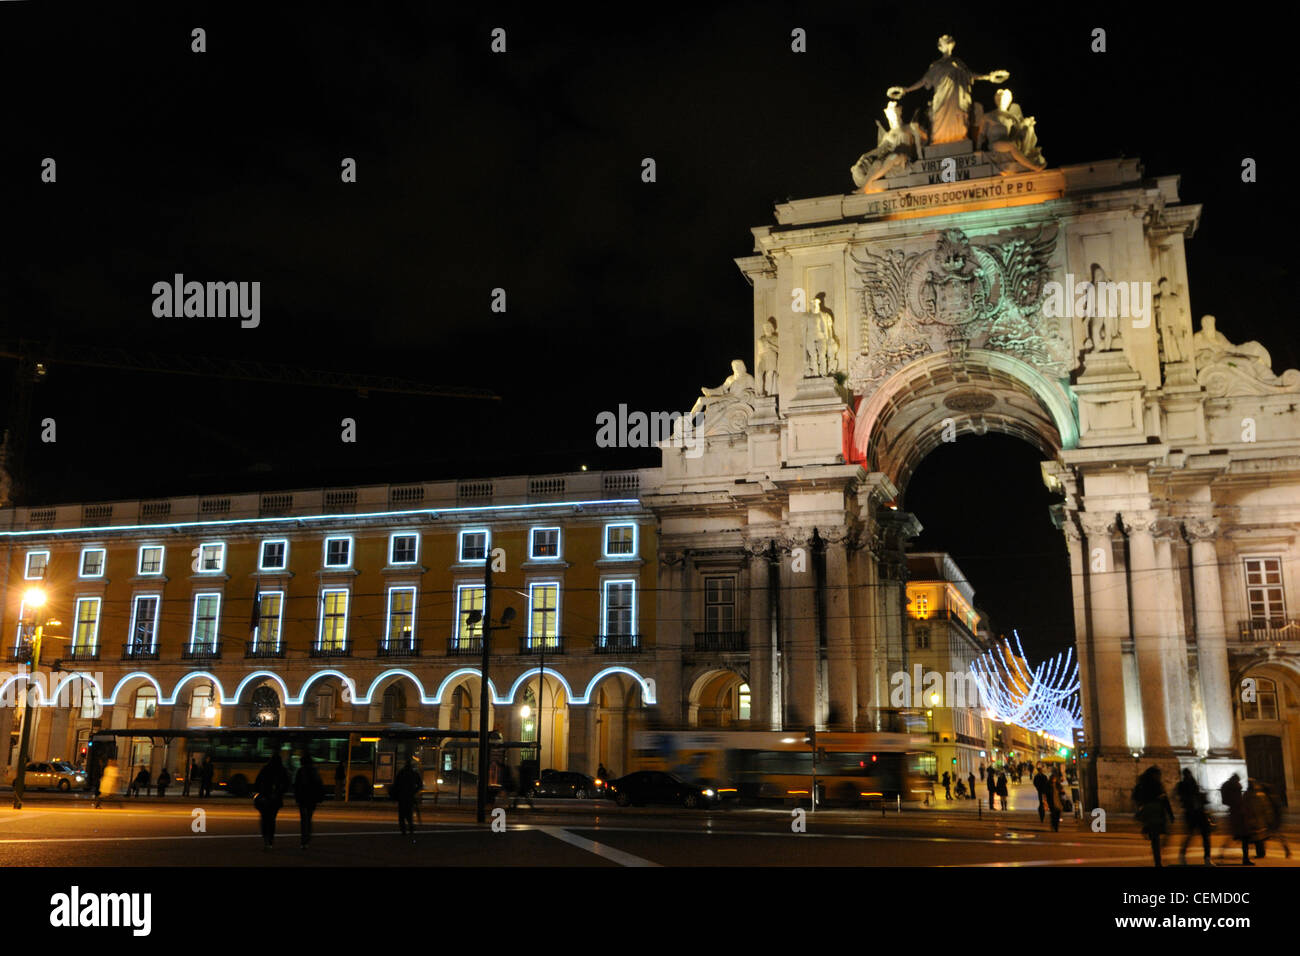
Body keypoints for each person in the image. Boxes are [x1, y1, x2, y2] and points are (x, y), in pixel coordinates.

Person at [1133, 766, 1175, 867]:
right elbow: (1164, 799)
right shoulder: (1155, 785)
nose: (1159, 777)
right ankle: (1158, 860)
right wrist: (1170, 814)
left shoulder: (1144, 784)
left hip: (1154, 813)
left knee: (1156, 837)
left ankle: (1157, 858)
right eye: (1157, 775)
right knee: (1156, 837)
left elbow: (1136, 796)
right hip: (1154, 813)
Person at [1174, 769, 1213, 866]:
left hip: (1198, 812)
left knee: (1203, 836)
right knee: (1194, 836)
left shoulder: (1192, 784)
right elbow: (1181, 797)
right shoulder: (1183, 785)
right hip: (1192, 812)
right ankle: (1183, 856)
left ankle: (1206, 858)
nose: (1189, 776)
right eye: (1188, 774)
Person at [253, 753, 291, 850]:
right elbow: (287, 784)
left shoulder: (266, 769)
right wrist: (280, 792)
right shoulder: (282, 770)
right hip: (276, 799)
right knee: (272, 819)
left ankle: (266, 837)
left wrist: (261, 792)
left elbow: (258, 782)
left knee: (264, 818)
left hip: (265, 798)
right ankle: (270, 840)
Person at [1220, 773, 1254, 866]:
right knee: (1244, 838)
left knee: (1238, 837)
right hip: (1240, 816)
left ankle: (1223, 852)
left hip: (1235, 815)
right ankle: (1245, 859)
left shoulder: (1229, 787)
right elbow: (1239, 802)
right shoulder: (1235, 787)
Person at [294, 753, 325, 849]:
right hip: (312, 799)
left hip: (303, 799)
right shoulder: (314, 771)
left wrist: (297, 798)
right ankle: (307, 838)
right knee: (309, 818)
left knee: (304, 819)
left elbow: (296, 785)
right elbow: (319, 785)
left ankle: (304, 841)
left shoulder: (300, 771)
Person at [1256, 780, 1291, 858]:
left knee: (1265, 836)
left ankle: (1263, 852)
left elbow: (1269, 810)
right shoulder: (1274, 797)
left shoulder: (1267, 798)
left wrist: (1269, 820)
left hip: (1271, 820)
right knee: (1278, 836)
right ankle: (1286, 850)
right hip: (1275, 820)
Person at [392, 758, 423, 838]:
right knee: (409, 815)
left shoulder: (401, 773)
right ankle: (411, 829)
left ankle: (403, 831)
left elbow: (396, 784)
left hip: (402, 797)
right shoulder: (414, 773)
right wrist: (414, 791)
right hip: (410, 797)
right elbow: (420, 785)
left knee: (401, 816)